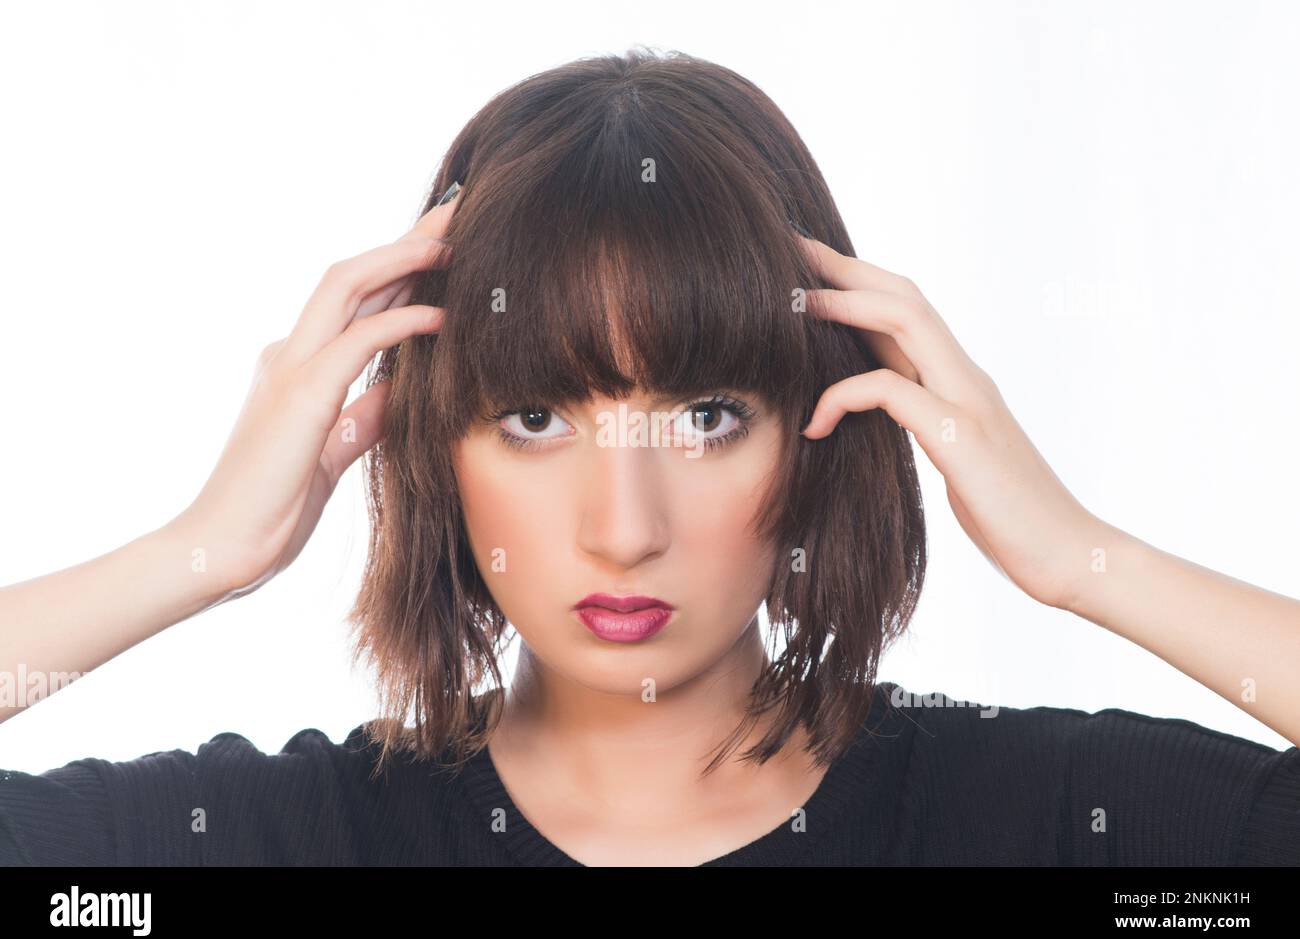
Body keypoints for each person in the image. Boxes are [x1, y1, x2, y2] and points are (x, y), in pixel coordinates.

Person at [1, 48, 1297, 867]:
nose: (625, 527)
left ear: (822, 423)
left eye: (706, 417)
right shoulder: (298, 841)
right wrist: (199, 553)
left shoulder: (1041, 820)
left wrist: (1081, 558)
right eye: (537, 419)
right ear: (433, 447)